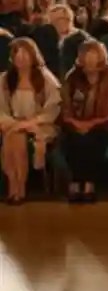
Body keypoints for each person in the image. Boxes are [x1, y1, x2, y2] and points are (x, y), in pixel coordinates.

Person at [60, 39, 108, 203]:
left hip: (106, 125)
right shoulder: (73, 76)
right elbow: (65, 105)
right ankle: (75, 183)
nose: (90, 60)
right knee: (74, 139)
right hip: (76, 123)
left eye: (93, 56)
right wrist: (75, 122)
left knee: (91, 139)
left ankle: (89, 184)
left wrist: (92, 123)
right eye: (86, 56)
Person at [0, 38, 62, 205]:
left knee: (16, 135)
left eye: (25, 53)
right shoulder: (5, 79)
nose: (21, 57)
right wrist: (14, 123)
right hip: (13, 124)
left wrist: (31, 122)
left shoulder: (45, 78)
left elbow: (53, 109)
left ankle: (19, 188)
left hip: (41, 124)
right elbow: (1, 109)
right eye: (17, 53)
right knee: (14, 137)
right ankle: (15, 185)